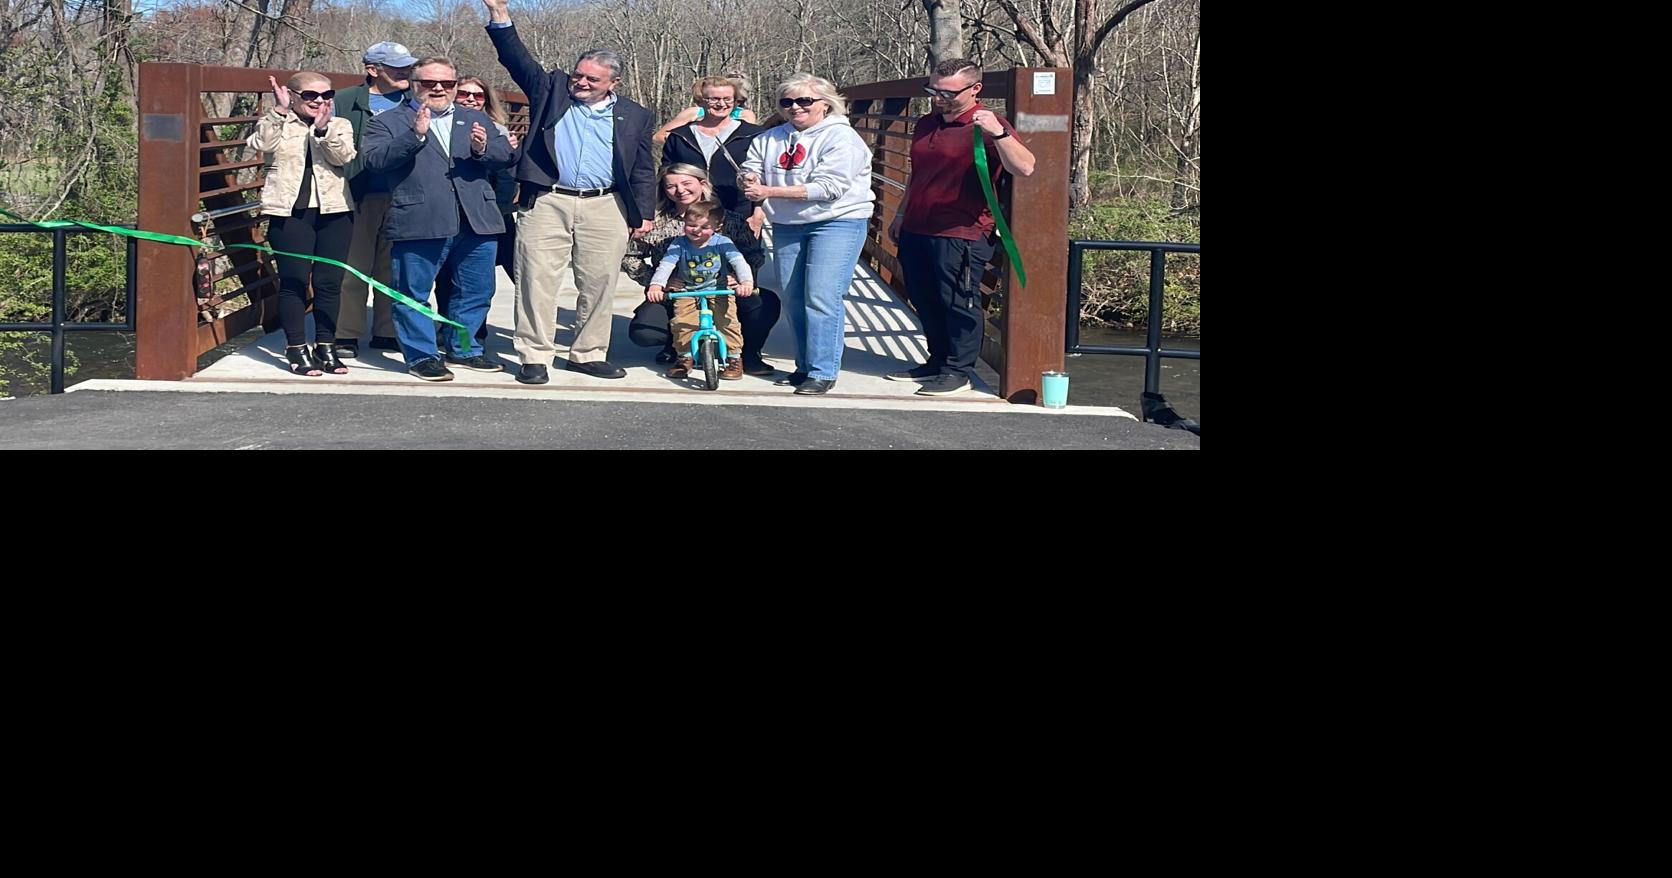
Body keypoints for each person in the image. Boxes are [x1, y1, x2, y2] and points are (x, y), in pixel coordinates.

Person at [483, 0, 658, 385]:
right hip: (548, 200)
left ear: (614, 83)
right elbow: (516, 58)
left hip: (605, 203)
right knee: (535, 278)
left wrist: (643, 212)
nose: (581, 82)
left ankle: (588, 353)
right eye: (579, 75)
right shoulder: (551, 90)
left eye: (592, 79)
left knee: (599, 282)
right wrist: (499, 14)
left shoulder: (636, 114)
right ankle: (533, 355)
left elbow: (643, 167)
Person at [886, 58, 1035, 396]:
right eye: (933, 90)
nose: (938, 98)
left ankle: (958, 370)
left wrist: (997, 133)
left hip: (963, 230)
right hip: (918, 227)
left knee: (959, 302)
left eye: (948, 93)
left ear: (975, 89)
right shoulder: (927, 123)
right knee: (925, 298)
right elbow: (917, 176)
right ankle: (937, 361)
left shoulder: (988, 124)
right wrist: (899, 215)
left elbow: (1025, 167)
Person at [361, 56, 515, 381]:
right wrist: (414, 137)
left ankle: (464, 348)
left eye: (446, 83)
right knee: (413, 292)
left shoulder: (475, 119)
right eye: (430, 83)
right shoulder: (388, 121)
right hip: (419, 218)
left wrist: (483, 148)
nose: (438, 89)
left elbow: (506, 156)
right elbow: (375, 160)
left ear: (455, 85)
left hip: (476, 219)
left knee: (476, 290)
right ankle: (422, 356)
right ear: (414, 84)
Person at [740, 73, 874, 395]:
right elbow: (751, 164)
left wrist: (768, 190)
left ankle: (823, 370)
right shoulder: (769, 138)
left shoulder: (843, 138)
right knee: (794, 295)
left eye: (804, 101)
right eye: (787, 102)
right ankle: (804, 366)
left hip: (837, 221)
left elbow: (830, 189)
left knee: (822, 295)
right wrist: (747, 177)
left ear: (825, 105)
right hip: (788, 224)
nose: (795, 108)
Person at [248, 71, 357, 377]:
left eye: (326, 95)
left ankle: (326, 346)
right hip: (290, 213)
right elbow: (260, 142)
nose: (320, 101)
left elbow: (344, 157)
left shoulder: (339, 125)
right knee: (294, 280)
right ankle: (296, 347)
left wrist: (323, 131)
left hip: (335, 211)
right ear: (293, 96)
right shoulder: (278, 120)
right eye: (310, 95)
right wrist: (279, 112)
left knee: (329, 283)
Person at [330, 40, 419, 358]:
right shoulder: (344, 100)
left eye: (408, 66)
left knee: (393, 268)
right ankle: (346, 334)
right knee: (353, 267)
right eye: (398, 68)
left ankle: (387, 331)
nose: (406, 72)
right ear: (372, 70)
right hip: (358, 192)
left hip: (405, 194)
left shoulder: (417, 101)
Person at [433, 75, 521, 347]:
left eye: (478, 95)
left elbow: (508, 177)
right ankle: (454, 332)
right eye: (464, 93)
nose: (471, 99)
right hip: (452, 215)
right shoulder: (439, 126)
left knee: (502, 278)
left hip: (496, 216)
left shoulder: (500, 132)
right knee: (448, 279)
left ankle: (478, 332)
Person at [645, 200, 754, 381]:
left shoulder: (723, 242)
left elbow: (739, 262)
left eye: (704, 227)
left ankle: (734, 359)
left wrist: (746, 282)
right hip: (688, 290)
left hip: (718, 289)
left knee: (728, 323)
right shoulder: (679, 244)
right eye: (691, 225)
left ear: (717, 227)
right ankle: (684, 358)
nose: (696, 230)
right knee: (682, 323)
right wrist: (657, 285)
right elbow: (666, 265)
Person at [652, 73, 760, 147]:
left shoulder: (746, 115)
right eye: (715, 98)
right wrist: (686, 144)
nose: (722, 104)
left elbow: (747, 142)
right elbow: (658, 137)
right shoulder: (694, 112)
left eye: (729, 99)